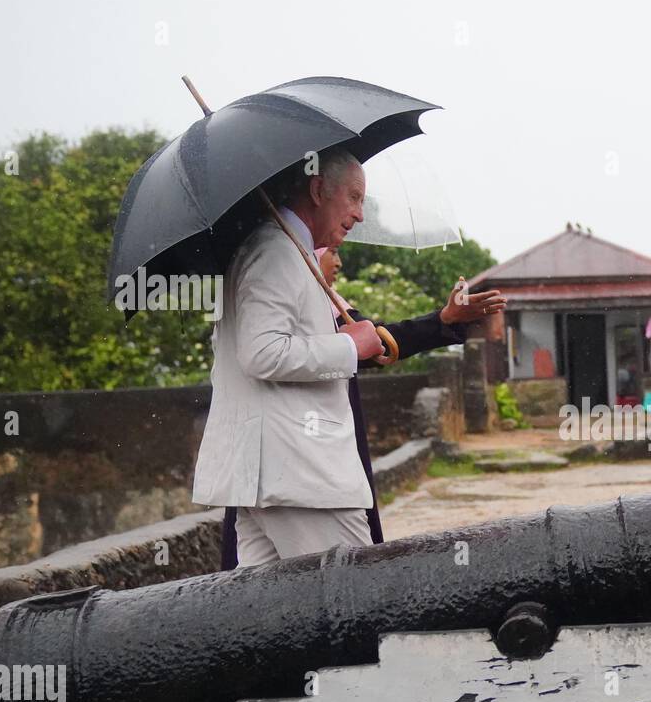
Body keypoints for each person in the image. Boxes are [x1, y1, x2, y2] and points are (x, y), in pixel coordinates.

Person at [193, 147, 504, 567]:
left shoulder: (280, 252)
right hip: (301, 479)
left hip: (272, 479)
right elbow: (261, 352)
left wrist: (427, 324)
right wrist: (350, 345)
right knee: (358, 605)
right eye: (354, 197)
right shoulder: (275, 253)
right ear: (318, 189)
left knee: (270, 626)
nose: (360, 214)